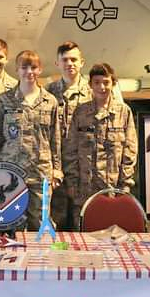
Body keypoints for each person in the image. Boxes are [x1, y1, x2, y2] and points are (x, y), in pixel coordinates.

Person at [0, 50, 61, 230]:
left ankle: (41, 259)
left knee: (40, 223)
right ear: (17, 70)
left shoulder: (50, 101)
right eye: (24, 67)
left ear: (40, 70)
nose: (29, 72)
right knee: (12, 225)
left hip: (40, 173)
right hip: (11, 172)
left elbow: (55, 139)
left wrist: (57, 170)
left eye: (34, 67)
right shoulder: (3, 101)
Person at [62, 63, 137, 224]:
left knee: (112, 232)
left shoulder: (123, 112)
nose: (102, 87)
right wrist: (72, 182)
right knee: (83, 234)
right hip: (84, 189)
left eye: (106, 82)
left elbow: (130, 152)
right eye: (97, 82)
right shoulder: (81, 112)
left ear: (113, 83)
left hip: (112, 188)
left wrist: (125, 185)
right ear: (90, 85)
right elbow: (70, 149)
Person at [46, 41, 90, 229]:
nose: (69, 64)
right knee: (57, 220)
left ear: (82, 62)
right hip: (56, 165)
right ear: (57, 64)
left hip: (84, 167)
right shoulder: (48, 92)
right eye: (65, 60)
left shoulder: (92, 92)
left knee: (83, 221)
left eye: (74, 59)